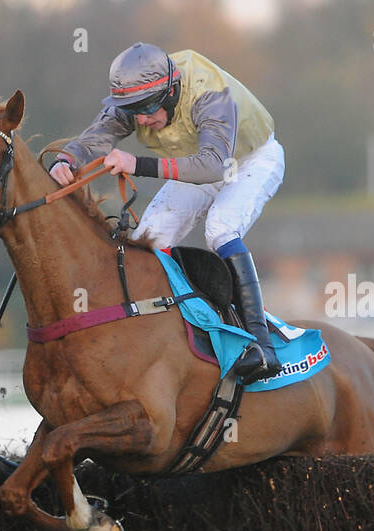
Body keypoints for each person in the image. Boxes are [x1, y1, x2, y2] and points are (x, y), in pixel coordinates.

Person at [50, 43, 283, 383]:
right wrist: (67, 159)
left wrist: (137, 164)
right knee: (151, 238)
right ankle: (161, 335)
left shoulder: (210, 94)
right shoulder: (138, 98)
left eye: (147, 107)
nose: (141, 118)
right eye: (133, 109)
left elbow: (214, 166)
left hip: (248, 160)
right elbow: (97, 136)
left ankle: (262, 346)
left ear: (172, 90)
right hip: (194, 160)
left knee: (220, 229)